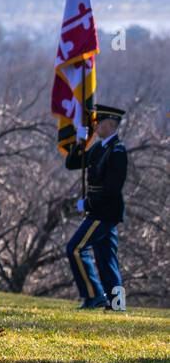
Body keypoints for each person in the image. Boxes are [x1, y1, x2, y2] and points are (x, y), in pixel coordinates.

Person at [63, 104, 128, 310]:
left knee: (75, 248)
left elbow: (112, 188)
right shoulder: (99, 148)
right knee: (107, 258)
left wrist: (88, 204)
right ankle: (118, 304)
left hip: (104, 212)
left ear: (110, 124)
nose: (96, 126)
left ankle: (93, 296)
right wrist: (79, 142)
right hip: (99, 211)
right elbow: (73, 163)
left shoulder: (117, 151)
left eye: (99, 123)